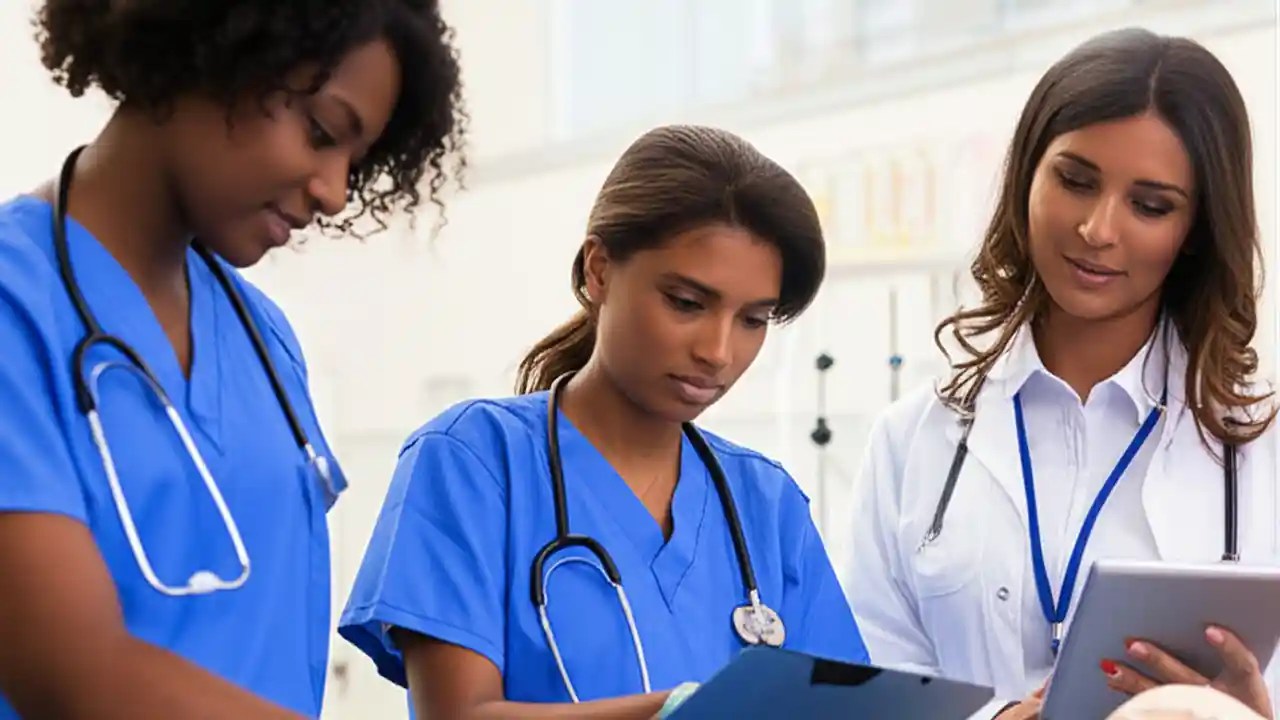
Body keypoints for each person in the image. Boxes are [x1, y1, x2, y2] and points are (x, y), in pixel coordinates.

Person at [0, 1, 466, 718]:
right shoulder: (16, 304)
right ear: (209, 48)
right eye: (321, 132)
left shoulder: (267, 343)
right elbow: (69, 672)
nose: (336, 193)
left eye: (356, 161)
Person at [338, 124, 869, 718]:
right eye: (687, 303)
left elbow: (841, 711)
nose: (718, 351)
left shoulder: (766, 507)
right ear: (599, 270)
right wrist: (677, 712)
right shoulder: (474, 460)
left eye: (753, 319)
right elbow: (458, 716)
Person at [840, 27, 1277, 719]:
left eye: (1150, 205)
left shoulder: (1259, 450)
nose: (1099, 230)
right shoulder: (912, 440)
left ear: (1195, 228)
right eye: (1075, 181)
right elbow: (866, 688)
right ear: (1026, 177)